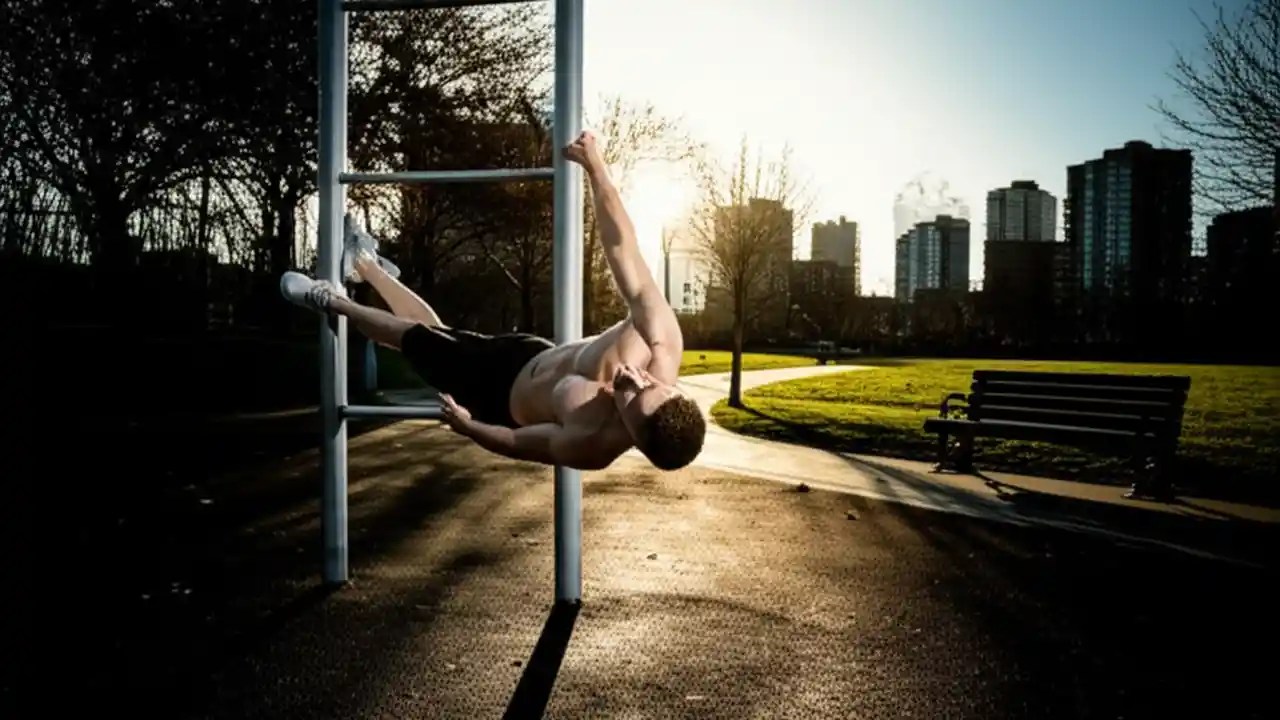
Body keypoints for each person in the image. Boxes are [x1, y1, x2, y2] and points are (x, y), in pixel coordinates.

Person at [280, 130, 706, 471]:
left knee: (416, 340)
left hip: (497, 395)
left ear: (634, 436)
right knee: (436, 335)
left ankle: (330, 300)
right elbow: (622, 250)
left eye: (631, 401)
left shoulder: (592, 442)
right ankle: (365, 266)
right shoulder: (660, 340)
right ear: (671, 389)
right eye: (649, 385)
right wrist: (597, 168)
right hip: (527, 352)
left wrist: (470, 428)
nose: (632, 381)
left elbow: (520, 442)